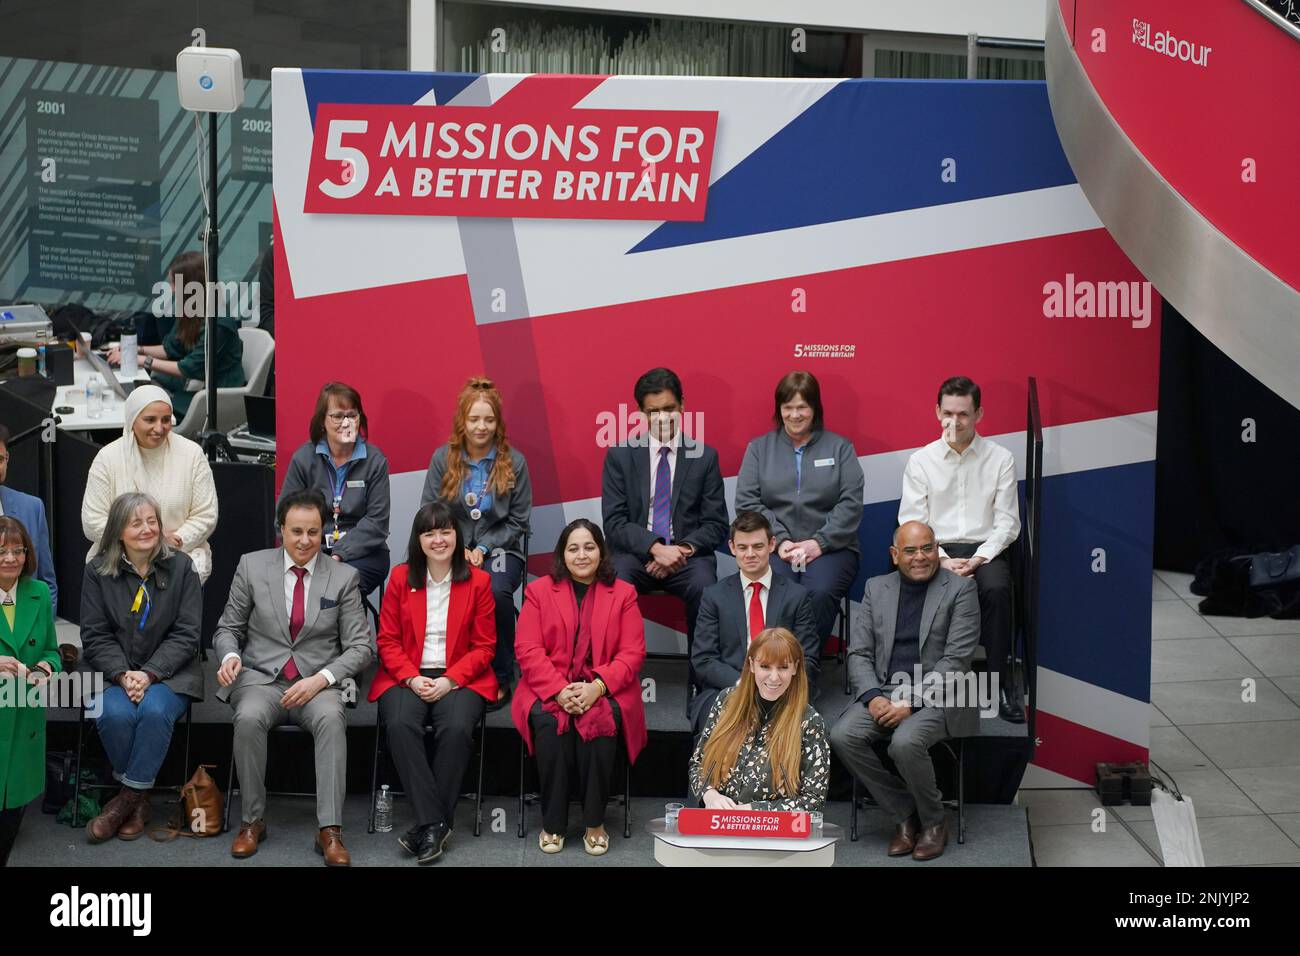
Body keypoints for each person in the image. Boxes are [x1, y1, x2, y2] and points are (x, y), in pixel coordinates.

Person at [213, 489, 373, 866]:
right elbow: (226, 628)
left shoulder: (344, 577)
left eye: (313, 533)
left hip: (317, 684)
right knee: (248, 718)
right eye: (296, 531)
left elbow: (361, 648)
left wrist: (321, 679)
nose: (305, 541)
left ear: (324, 532)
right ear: (280, 530)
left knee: (333, 720)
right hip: (260, 679)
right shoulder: (252, 566)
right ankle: (252, 821)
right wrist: (231, 655)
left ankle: (330, 830)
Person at [829, 521, 980, 861]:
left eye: (927, 548)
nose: (920, 557)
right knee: (842, 735)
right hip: (884, 689)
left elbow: (956, 661)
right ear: (895, 555)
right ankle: (903, 812)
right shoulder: (876, 587)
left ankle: (934, 820)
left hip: (945, 694)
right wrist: (874, 697)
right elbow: (859, 653)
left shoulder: (960, 590)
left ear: (936, 548)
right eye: (910, 550)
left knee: (906, 741)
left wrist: (910, 701)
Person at [369, 501, 498, 864]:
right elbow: (387, 641)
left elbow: (485, 646)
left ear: (457, 535)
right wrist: (411, 677)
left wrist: (451, 679)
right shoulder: (399, 578)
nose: (438, 539)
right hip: (406, 673)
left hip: (460, 675)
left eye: (445, 531)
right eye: (430, 533)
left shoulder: (479, 582)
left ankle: (427, 825)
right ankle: (437, 823)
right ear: (418, 539)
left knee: (457, 728)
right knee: (398, 722)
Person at [512, 519, 646, 856]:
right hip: (549, 685)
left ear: (601, 552)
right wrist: (559, 690)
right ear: (562, 554)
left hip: (605, 687)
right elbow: (527, 649)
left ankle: (594, 822)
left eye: (589, 547)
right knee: (549, 722)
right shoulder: (539, 591)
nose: (582, 555)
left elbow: (632, 653)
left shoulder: (624, 593)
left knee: (601, 722)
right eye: (573, 548)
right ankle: (553, 823)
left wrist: (596, 688)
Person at [898, 375, 1024, 722]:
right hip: (932, 549)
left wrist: (980, 557)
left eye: (964, 414)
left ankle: (1000, 685)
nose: (954, 422)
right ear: (937, 411)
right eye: (948, 413)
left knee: (999, 590)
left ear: (979, 414)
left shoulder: (1000, 458)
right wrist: (940, 558)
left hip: (985, 550)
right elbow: (911, 520)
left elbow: (1008, 522)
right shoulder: (921, 461)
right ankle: (910, 684)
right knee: (915, 584)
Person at [79, 493, 202, 843]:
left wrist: (149, 674)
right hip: (111, 673)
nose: (147, 529)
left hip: (170, 672)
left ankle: (124, 802)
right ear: (119, 531)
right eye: (136, 523)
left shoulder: (182, 567)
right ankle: (139, 800)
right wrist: (122, 673)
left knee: (153, 709)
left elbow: (187, 633)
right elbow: (94, 633)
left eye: (152, 521)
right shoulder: (97, 570)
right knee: (112, 712)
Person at [600, 367, 727, 682]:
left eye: (669, 409)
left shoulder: (704, 456)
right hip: (635, 554)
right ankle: (614, 676)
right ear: (641, 414)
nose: (662, 418)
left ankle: (704, 680)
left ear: (682, 406)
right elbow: (614, 522)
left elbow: (716, 524)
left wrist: (679, 551)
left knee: (706, 587)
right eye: (653, 412)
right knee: (615, 584)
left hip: (687, 557)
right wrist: (655, 549)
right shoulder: (620, 455)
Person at [420, 377, 530, 711]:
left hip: (501, 551)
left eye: (488, 419)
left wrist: (482, 548)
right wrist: (457, 547)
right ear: (462, 422)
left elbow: (519, 521)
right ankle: (438, 668)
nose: (481, 427)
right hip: (448, 547)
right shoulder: (444, 458)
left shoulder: (515, 462)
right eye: (474, 419)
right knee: (422, 582)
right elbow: (430, 510)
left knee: (495, 591)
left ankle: (500, 674)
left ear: (498, 424)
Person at [735, 370, 864, 646]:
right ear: (779, 410)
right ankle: (774, 666)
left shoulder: (840, 448)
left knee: (819, 591)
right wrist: (780, 541)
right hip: (775, 549)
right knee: (777, 590)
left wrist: (819, 543)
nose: (795, 415)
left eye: (802, 407)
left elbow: (851, 503)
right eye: (788, 407)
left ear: (814, 408)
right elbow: (747, 501)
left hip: (832, 549)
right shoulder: (759, 449)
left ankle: (804, 669)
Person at [689, 510, 820, 735]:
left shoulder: (796, 596)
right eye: (743, 547)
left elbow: (808, 658)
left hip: (782, 688)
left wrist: (773, 685)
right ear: (732, 548)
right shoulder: (714, 596)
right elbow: (704, 659)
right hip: (728, 687)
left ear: (771, 545)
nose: (750, 554)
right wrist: (745, 685)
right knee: (719, 725)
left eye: (757, 546)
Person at [82, 386, 218, 583]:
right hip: (119, 559)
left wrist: (170, 543)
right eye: (150, 420)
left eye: (166, 420)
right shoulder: (107, 458)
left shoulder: (192, 454)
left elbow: (206, 514)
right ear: (132, 420)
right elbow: (92, 521)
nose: (159, 428)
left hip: (180, 554)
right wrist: (148, 541)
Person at [689, 627, 828, 812]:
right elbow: (698, 762)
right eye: (765, 666)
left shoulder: (810, 722)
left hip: (775, 835)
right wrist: (710, 795)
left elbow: (814, 799)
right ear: (752, 665)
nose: (773, 677)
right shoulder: (726, 701)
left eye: (783, 667)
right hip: (720, 824)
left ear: (795, 667)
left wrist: (753, 811)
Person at [280, 382, 391, 597]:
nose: (346, 423)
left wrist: (338, 555)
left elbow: (377, 523)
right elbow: (283, 516)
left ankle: (347, 631)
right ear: (323, 421)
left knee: (342, 585)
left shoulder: (375, 460)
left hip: (363, 554)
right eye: (338, 416)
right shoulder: (303, 459)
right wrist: (313, 554)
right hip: (310, 549)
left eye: (352, 415)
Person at [107, 250, 246, 419]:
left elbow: (188, 368)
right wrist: (137, 350)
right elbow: (170, 348)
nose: (171, 290)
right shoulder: (191, 312)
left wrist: (143, 360)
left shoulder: (218, 324)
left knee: (140, 409)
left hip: (211, 400)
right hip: (194, 388)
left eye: (174, 284)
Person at [0, 517, 59, 867]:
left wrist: (45, 668)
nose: (10, 558)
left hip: (24, 717)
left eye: (17, 550)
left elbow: (52, 650)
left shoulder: (38, 594)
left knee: (11, 818)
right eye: (2, 550)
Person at [0, 424, 57, 614]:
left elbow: (46, 582)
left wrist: (41, 626)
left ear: (7, 459)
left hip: (28, 631)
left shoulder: (31, 508)